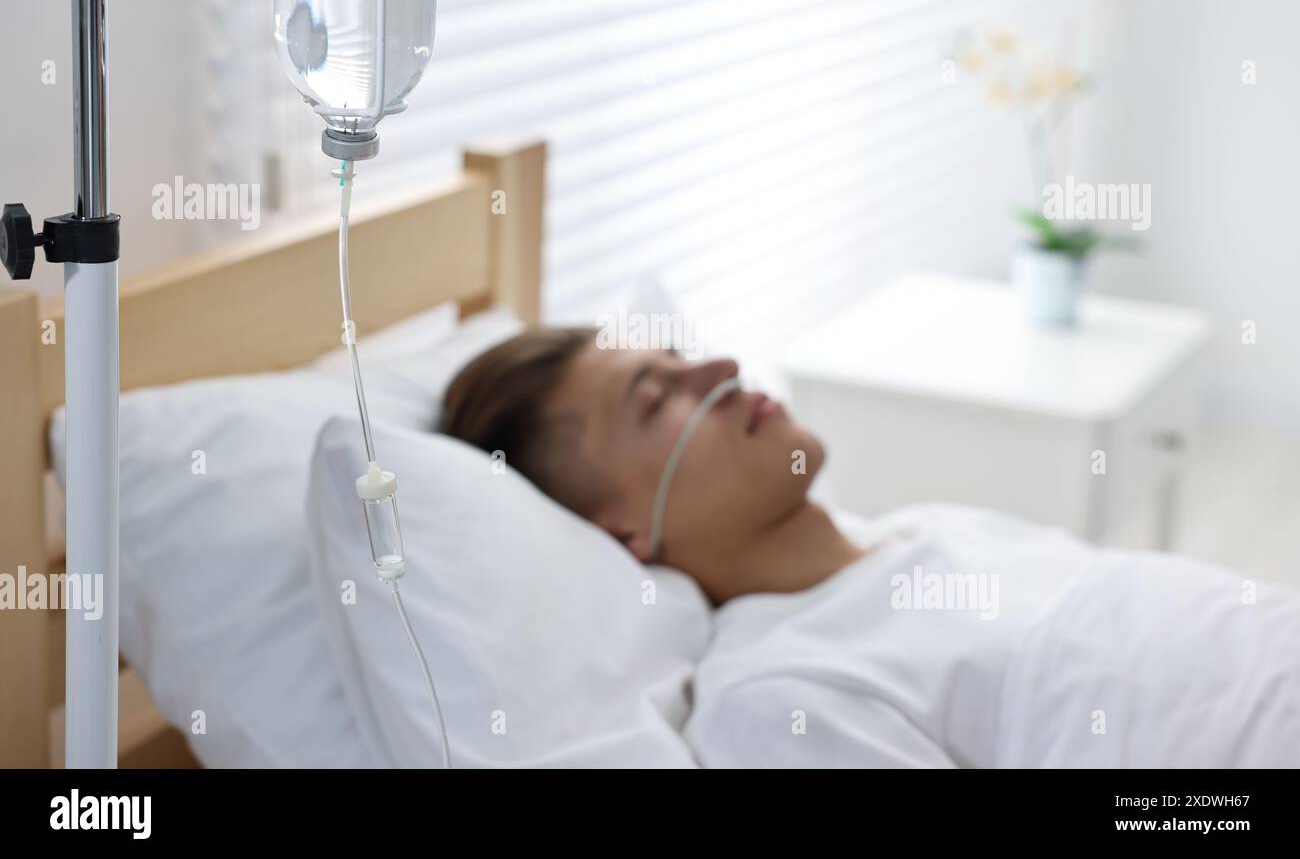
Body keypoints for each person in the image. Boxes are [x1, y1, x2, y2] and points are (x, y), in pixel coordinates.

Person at [440, 328, 1300, 768]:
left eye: (683, 357)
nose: (723, 370)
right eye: (658, 397)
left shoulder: (924, 526)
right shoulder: (777, 693)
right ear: (620, 530)